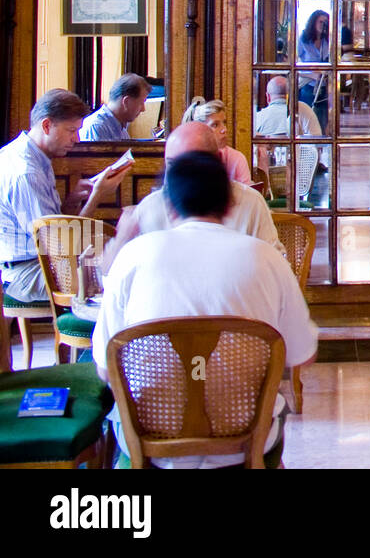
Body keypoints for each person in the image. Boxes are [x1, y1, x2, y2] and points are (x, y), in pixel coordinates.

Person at [92, 150, 316, 468]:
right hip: (245, 439)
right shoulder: (267, 258)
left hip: (151, 439)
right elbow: (301, 354)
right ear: (229, 204)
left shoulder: (133, 256)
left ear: (169, 206)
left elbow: (105, 368)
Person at [0, 90, 133, 302]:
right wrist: (96, 197)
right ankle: (100, 334)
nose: (76, 139)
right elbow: (59, 245)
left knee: (118, 262)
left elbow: (53, 228)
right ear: (46, 126)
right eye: (71, 130)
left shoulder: (34, 157)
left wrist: (72, 201)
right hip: (28, 273)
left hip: (42, 262)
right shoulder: (27, 172)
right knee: (118, 279)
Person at [103, 120, 280, 273]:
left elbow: (278, 267)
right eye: (172, 164)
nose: (179, 176)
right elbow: (110, 276)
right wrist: (122, 239)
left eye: (190, 166)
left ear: (217, 159)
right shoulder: (152, 206)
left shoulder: (250, 203)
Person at [181, 96, 252, 185]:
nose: (224, 130)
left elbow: (247, 195)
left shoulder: (236, 158)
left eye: (224, 123)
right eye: (215, 125)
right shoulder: (185, 161)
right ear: (199, 130)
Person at [78, 73, 150, 141]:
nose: (143, 109)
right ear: (126, 101)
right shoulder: (97, 127)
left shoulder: (121, 128)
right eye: (141, 102)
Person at [297, 10, 330, 131]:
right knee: (308, 117)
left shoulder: (328, 40)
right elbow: (296, 64)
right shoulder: (304, 39)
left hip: (325, 86)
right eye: (320, 22)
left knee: (323, 119)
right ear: (314, 23)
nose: (323, 25)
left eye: (325, 22)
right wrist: (312, 75)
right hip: (308, 84)